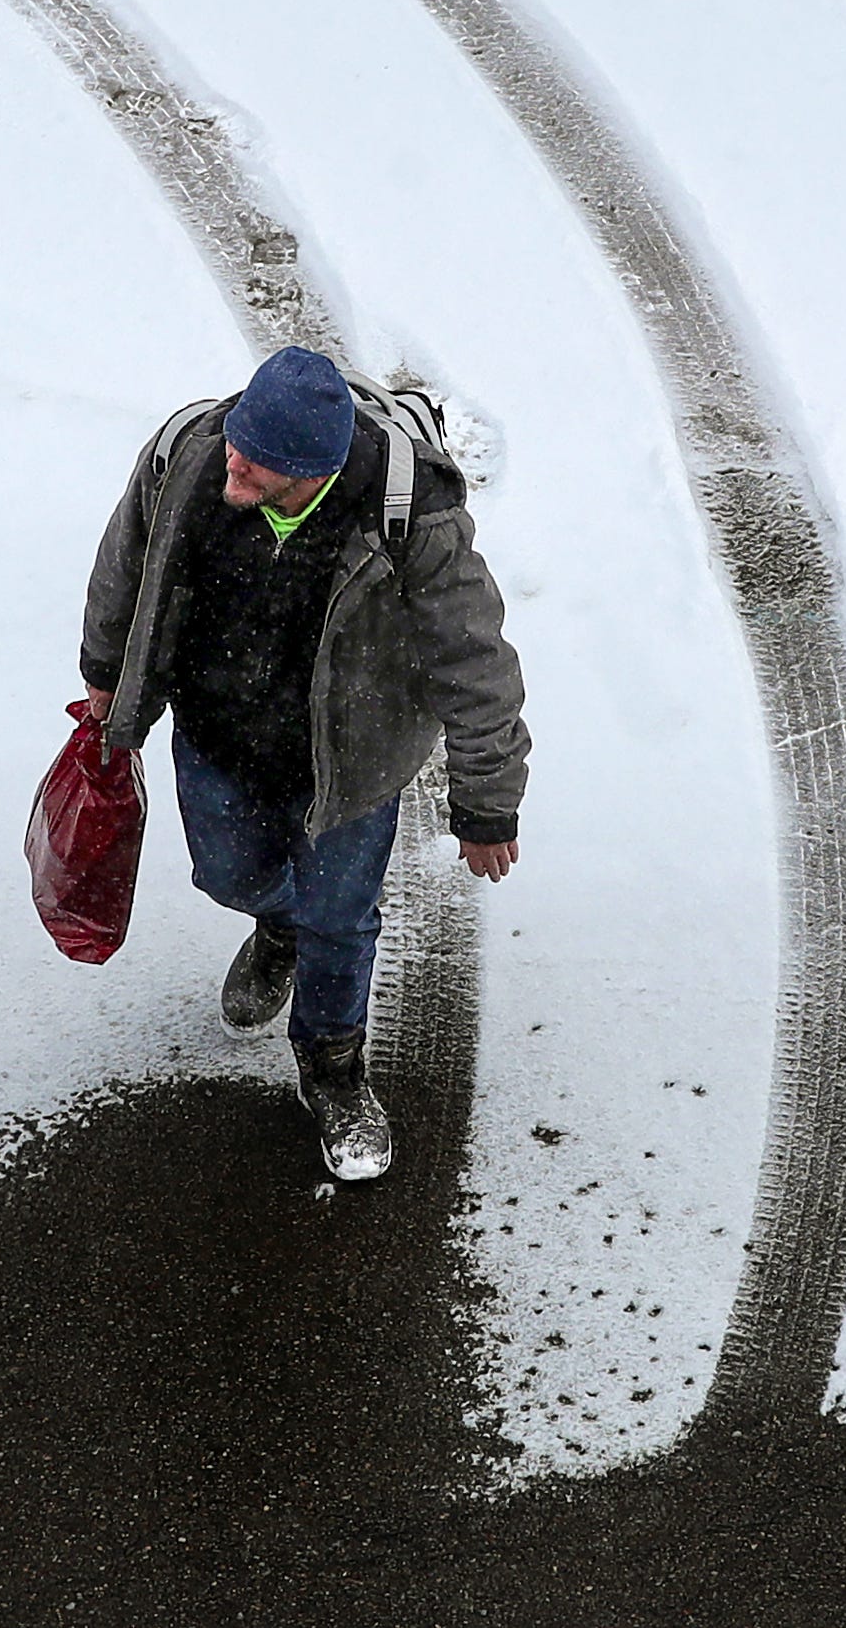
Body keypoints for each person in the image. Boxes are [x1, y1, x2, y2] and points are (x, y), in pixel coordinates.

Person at [75, 346, 530, 1182]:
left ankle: (333, 1069)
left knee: (342, 918)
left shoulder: (408, 515)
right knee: (226, 876)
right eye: (237, 446)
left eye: (257, 464)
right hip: (219, 736)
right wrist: (107, 677)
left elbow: (476, 661)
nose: (232, 467)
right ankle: (277, 922)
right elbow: (124, 564)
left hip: (351, 761)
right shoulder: (191, 453)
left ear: (313, 473)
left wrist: (486, 801)